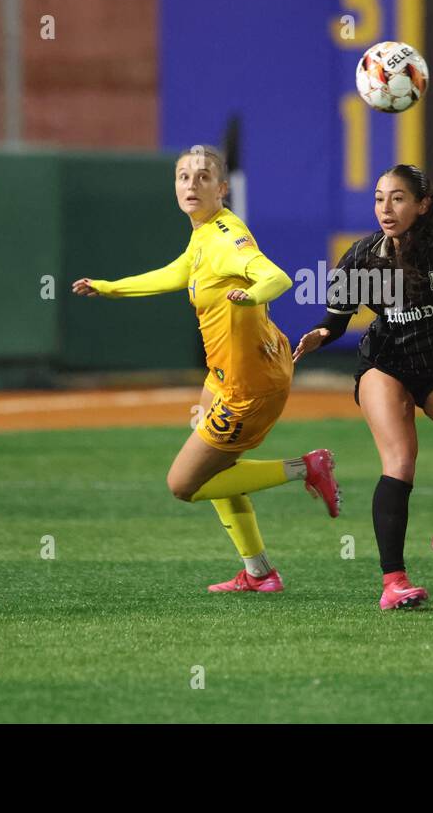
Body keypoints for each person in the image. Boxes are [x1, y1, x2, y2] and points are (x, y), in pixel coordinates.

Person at [72, 145, 342, 594]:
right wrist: (109, 288)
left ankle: (307, 468)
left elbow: (276, 277)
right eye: (183, 176)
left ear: (222, 188)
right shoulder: (202, 235)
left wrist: (254, 294)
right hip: (225, 373)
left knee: (185, 484)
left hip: (249, 384)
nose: (190, 185)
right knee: (218, 466)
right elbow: (176, 272)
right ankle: (259, 574)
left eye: (202, 177)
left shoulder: (223, 238)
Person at [293, 165, 433, 610]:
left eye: (397, 198)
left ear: (422, 204)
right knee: (400, 462)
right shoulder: (363, 257)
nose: (385, 209)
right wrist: (319, 336)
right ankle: (394, 582)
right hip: (385, 363)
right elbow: (335, 321)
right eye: (378, 198)